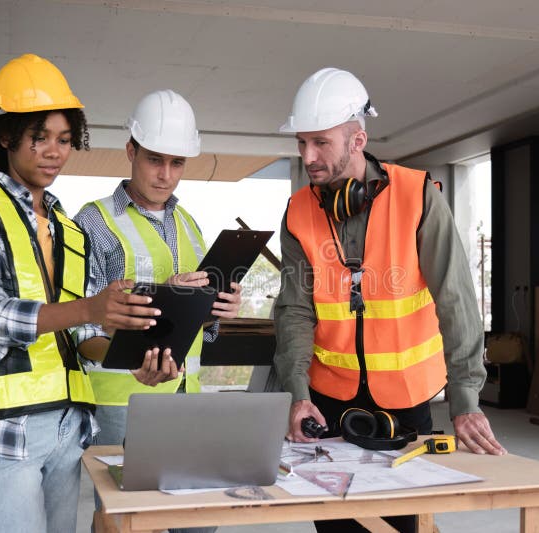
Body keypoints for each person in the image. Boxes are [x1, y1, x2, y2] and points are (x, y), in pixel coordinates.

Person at [274, 67, 506, 532]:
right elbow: (295, 311)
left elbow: (456, 300)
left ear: (357, 139)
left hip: (407, 401)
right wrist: (296, 397)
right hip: (329, 402)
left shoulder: (418, 197)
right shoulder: (299, 211)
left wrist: (465, 398)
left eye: (321, 142)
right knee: (338, 525)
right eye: (302, 143)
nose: (308, 155)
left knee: (404, 524)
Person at [0, 53, 157, 533]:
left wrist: (131, 357)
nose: (54, 152)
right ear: (6, 136)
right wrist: (91, 307)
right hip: (2, 429)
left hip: (67, 428)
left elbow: (81, 335)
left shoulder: (67, 229)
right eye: (39, 139)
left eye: (63, 140)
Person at [74, 89, 241, 533]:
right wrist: (158, 301)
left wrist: (215, 310)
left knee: (199, 521)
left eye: (177, 163)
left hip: (187, 400)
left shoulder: (188, 225)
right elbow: (81, 332)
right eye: (154, 159)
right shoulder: (94, 222)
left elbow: (196, 331)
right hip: (123, 405)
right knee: (127, 522)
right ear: (131, 150)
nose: (166, 175)